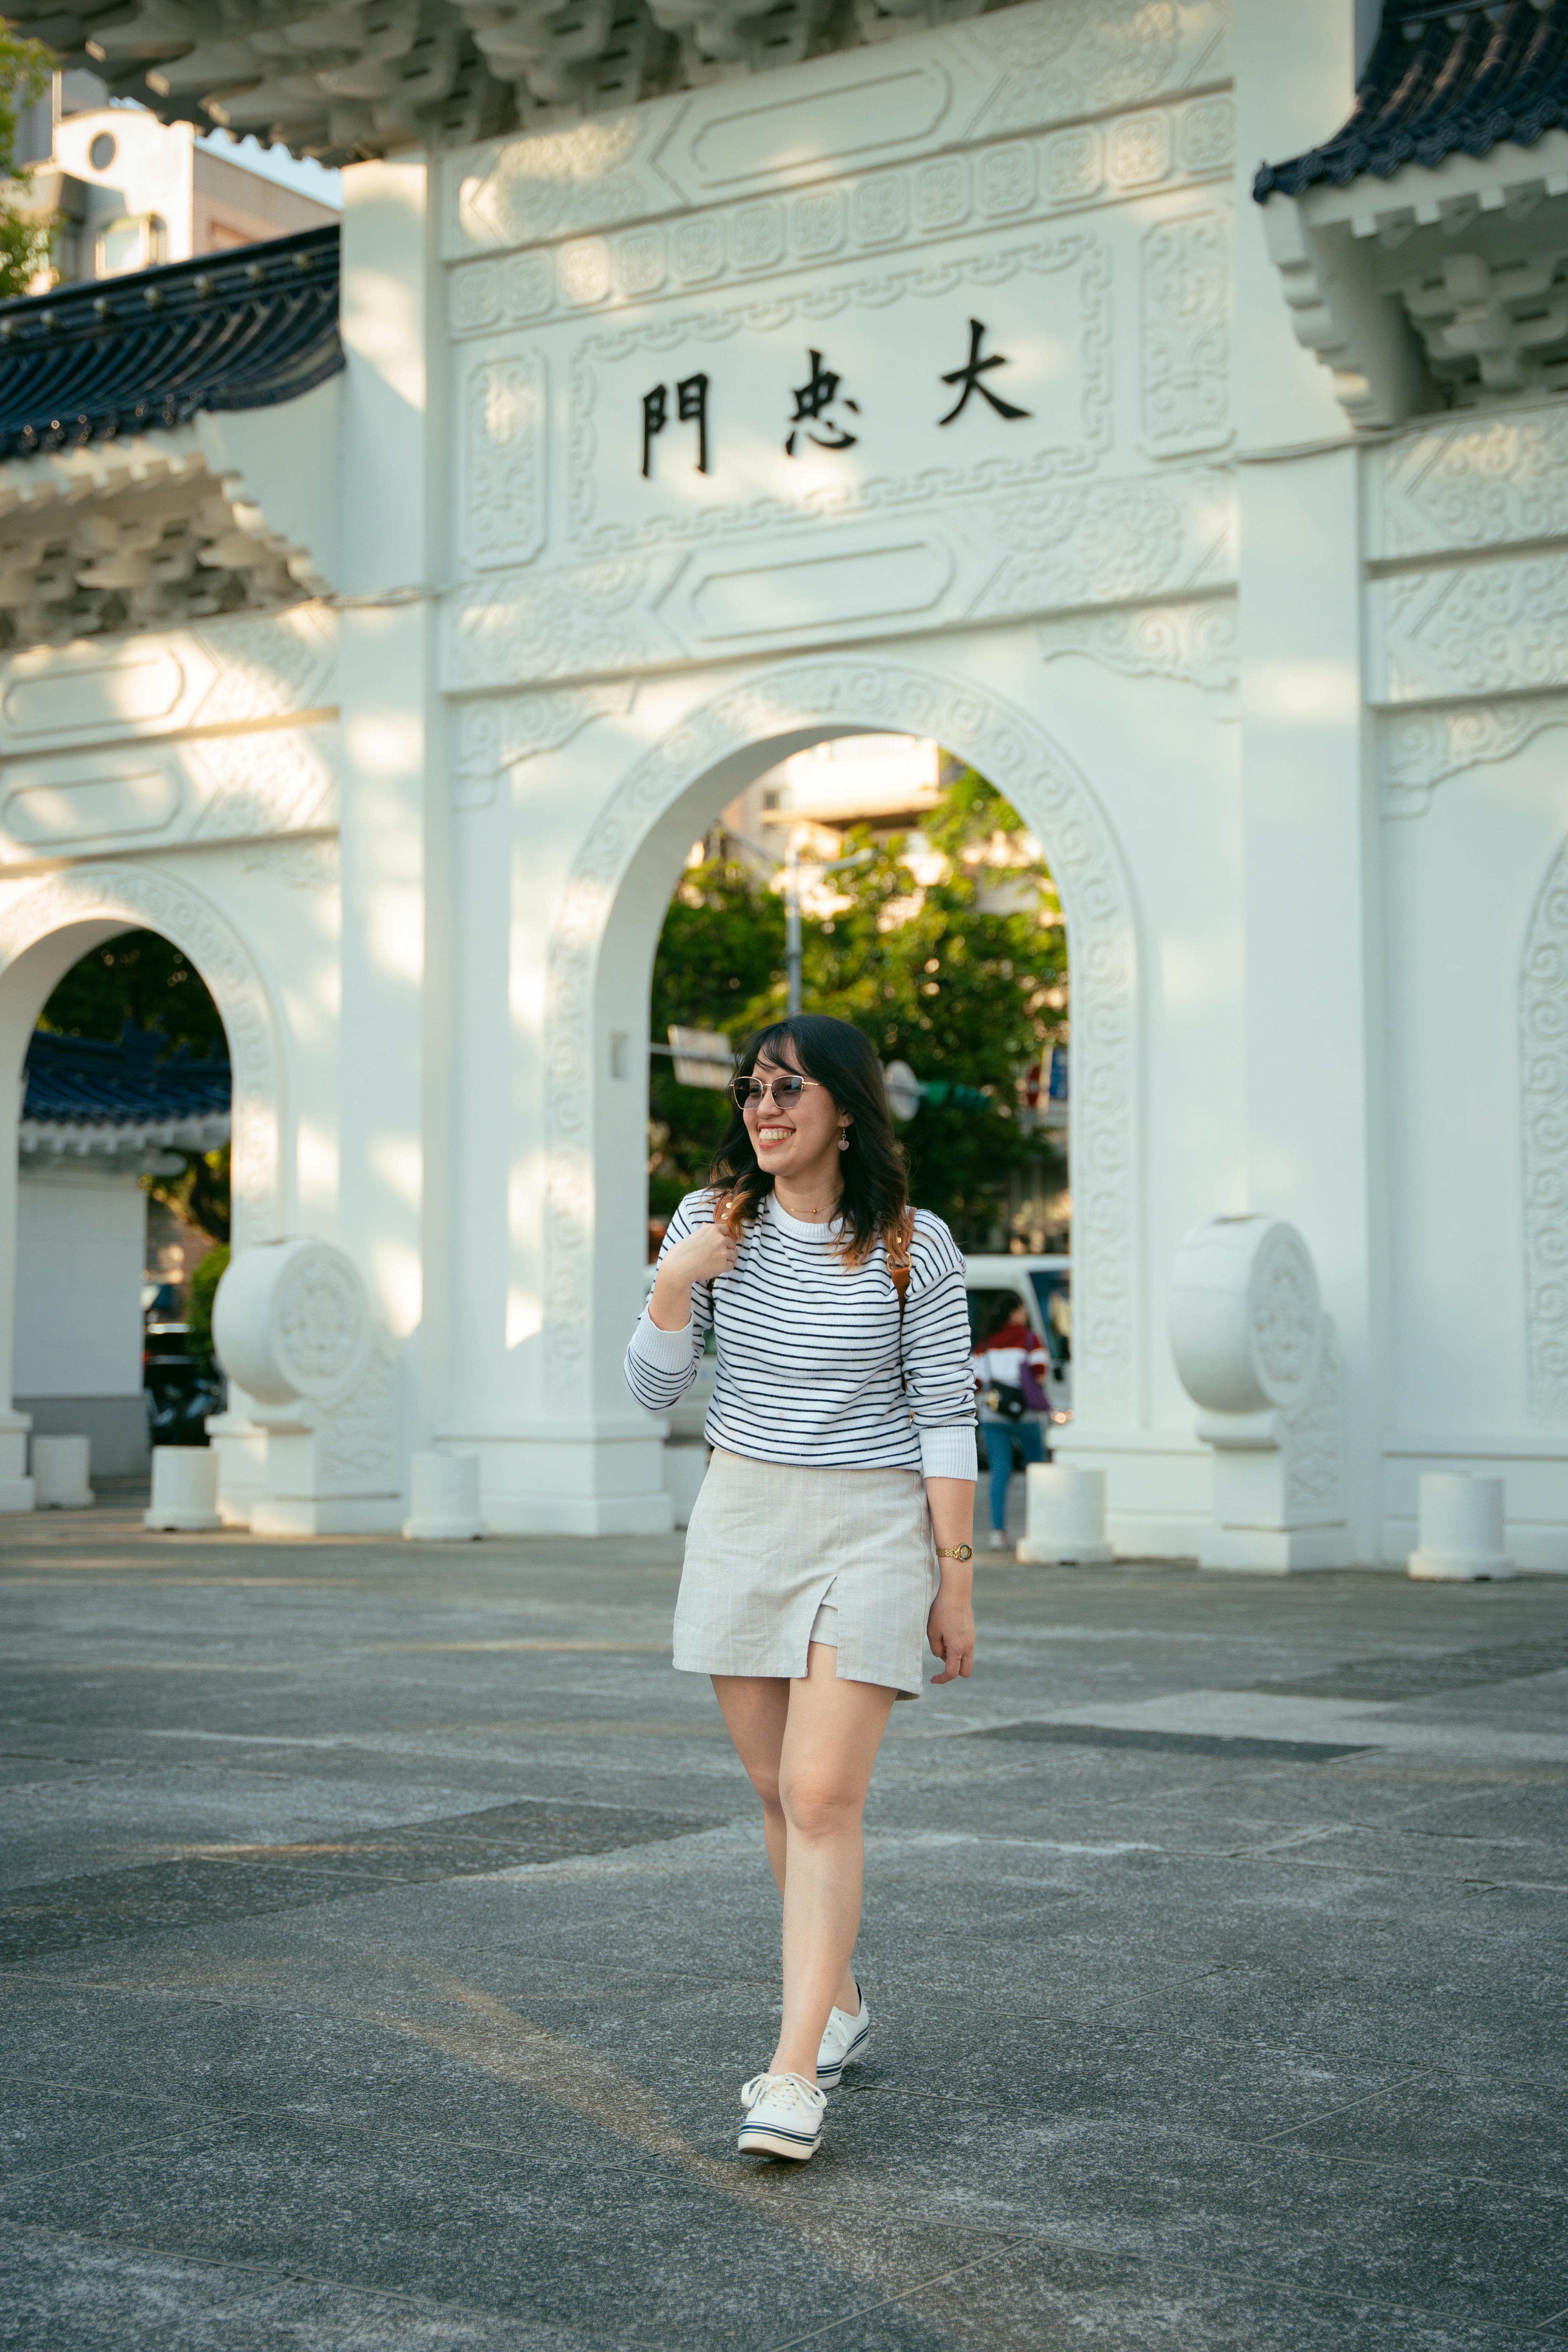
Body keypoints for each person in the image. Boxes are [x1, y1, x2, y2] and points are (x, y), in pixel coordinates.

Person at [624, 1014, 977, 2164]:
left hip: (873, 1524)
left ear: (845, 1110)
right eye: (752, 1091)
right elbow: (653, 1391)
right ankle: (840, 2001)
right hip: (742, 1515)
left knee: (823, 1793)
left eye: (788, 1090)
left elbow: (946, 1416)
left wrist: (957, 1581)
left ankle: (790, 2071)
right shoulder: (710, 1223)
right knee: (777, 1791)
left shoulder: (914, 1244)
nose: (764, 1110)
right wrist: (674, 1283)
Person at [972, 1299, 1051, 1550]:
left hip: (994, 1416)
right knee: (1038, 1469)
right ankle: (1043, 1528)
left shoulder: (985, 1345)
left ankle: (998, 1532)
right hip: (1026, 1415)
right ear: (1013, 1314)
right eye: (1022, 1310)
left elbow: (976, 1381)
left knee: (1000, 1472)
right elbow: (1040, 1372)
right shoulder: (1029, 1339)